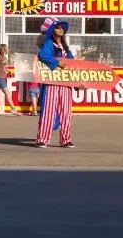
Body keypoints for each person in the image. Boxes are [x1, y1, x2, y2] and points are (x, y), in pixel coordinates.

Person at [35, 17, 78, 148]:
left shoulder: (66, 47)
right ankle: (42, 139)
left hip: (65, 84)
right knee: (48, 111)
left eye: (62, 28)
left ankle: (66, 139)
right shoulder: (49, 43)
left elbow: (72, 65)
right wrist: (57, 62)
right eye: (58, 27)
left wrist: (77, 83)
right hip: (52, 82)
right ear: (52, 30)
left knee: (66, 113)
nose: (61, 30)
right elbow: (43, 56)